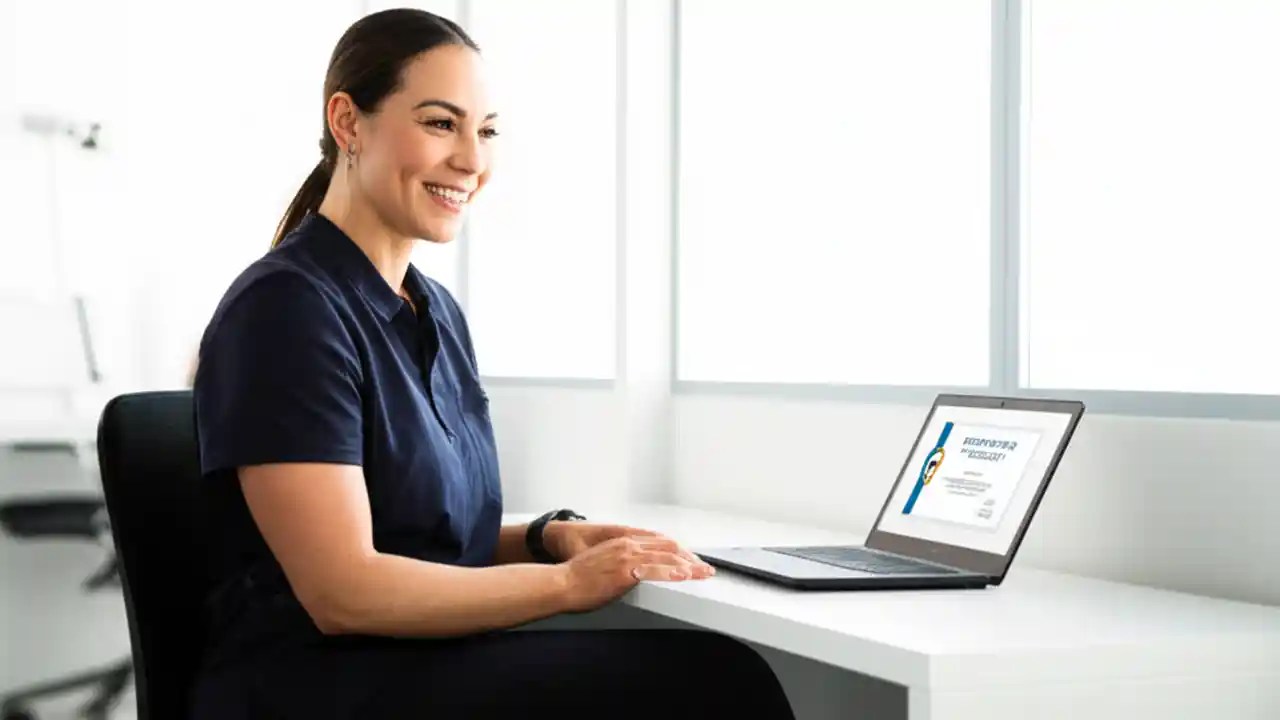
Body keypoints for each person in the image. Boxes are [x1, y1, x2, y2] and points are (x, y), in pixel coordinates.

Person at [190, 9, 794, 718]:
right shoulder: (285, 310)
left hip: (414, 661)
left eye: (487, 131)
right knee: (719, 684)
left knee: (712, 673)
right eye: (440, 124)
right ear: (348, 122)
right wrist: (568, 584)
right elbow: (344, 591)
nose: (472, 161)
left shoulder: (434, 312)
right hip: (312, 685)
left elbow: (424, 541)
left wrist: (548, 539)